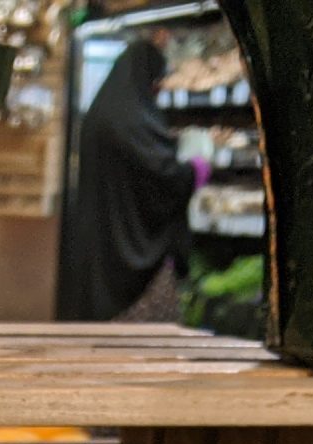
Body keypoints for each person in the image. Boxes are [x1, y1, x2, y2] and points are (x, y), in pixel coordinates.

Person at [58, 36, 211, 321]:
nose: (157, 91)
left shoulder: (103, 112)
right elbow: (163, 178)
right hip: (134, 274)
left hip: (98, 250)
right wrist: (196, 170)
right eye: (156, 83)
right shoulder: (133, 122)